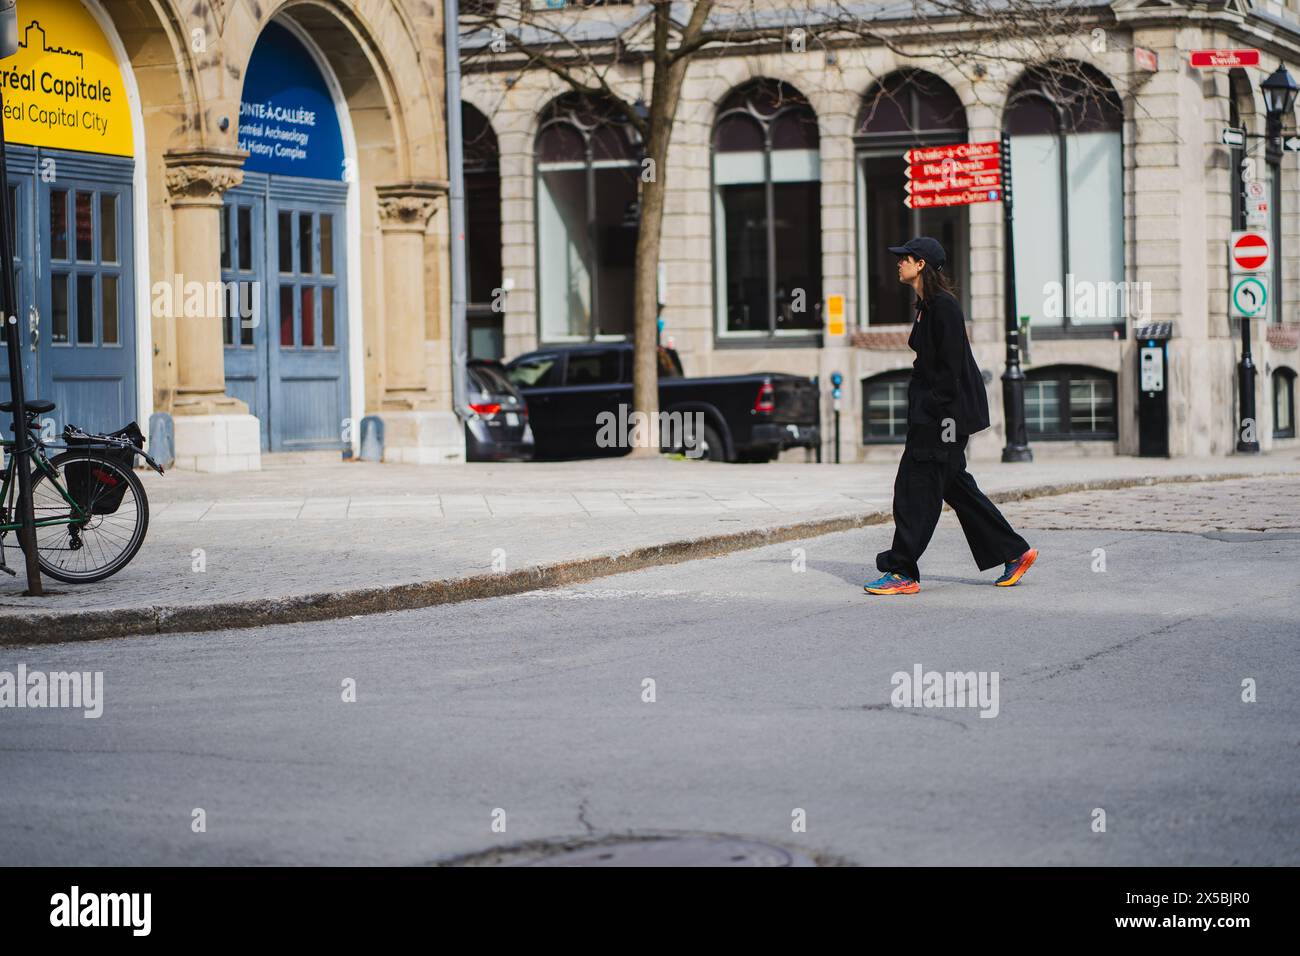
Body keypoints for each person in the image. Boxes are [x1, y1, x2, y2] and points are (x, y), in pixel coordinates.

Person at [863, 237, 1037, 595]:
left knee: (914, 491)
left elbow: (950, 371)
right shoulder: (929, 306)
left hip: (942, 419)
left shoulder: (944, 307)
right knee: (958, 489)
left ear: (921, 263)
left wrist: (933, 417)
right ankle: (1014, 552)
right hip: (938, 417)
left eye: (904, 258)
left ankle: (902, 571)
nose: (898, 264)